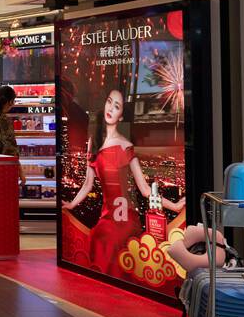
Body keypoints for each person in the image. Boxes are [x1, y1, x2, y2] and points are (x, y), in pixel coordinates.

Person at [64, 86, 186, 280]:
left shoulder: (126, 146)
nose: (111, 108)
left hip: (125, 219)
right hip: (106, 218)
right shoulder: (93, 141)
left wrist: (175, 205)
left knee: (107, 244)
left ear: (121, 116)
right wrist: (71, 204)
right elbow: (88, 183)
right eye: (109, 102)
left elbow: (145, 189)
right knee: (99, 240)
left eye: (117, 106)